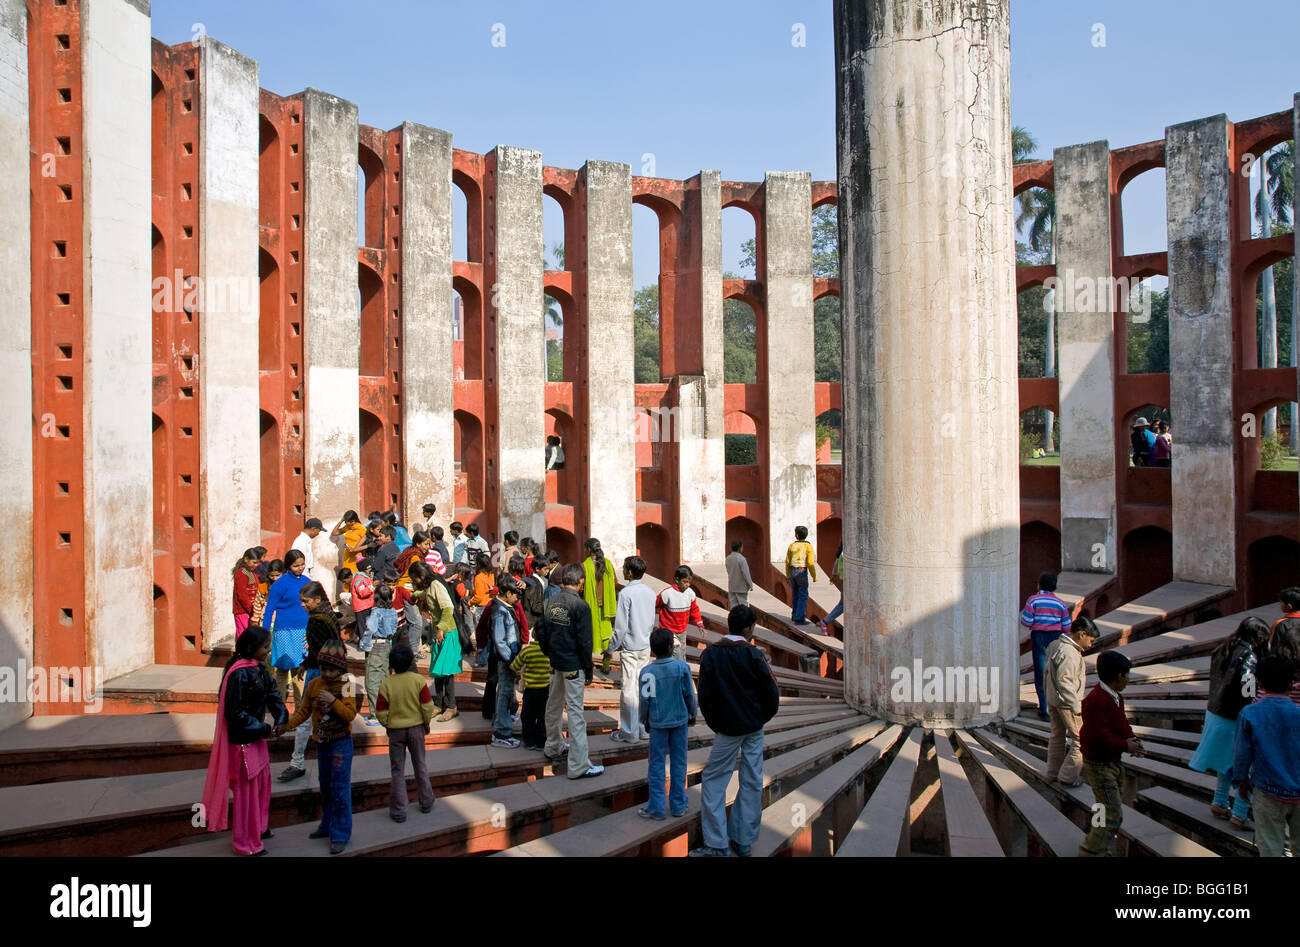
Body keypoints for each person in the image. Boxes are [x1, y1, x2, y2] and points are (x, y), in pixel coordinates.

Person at [690, 605, 780, 857]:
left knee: (714, 781)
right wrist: (760, 718)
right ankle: (743, 840)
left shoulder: (711, 654)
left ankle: (717, 843)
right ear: (748, 629)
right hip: (752, 727)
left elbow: (704, 696)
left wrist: (717, 723)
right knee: (751, 780)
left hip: (727, 729)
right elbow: (772, 693)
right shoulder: (754, 655)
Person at [201, 625, 287, 855]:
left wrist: (281, 716)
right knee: (246, 793)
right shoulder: (239, 673)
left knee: (261, 785)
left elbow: (273, 695)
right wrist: (263, 728)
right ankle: (245, 843)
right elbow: (235, 713)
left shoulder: (258, 668)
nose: (268, 651)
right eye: (265, 647)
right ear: (252, 648)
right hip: (242, 741)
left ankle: (258, 828)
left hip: (255, 737)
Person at [274, 640, 357, 854]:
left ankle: (341, 832)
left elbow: (350, 715)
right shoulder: (314, 684)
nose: (327, 673)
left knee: (340, 788)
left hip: (341, 743)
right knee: (326, 785)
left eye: (332, 669)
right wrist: (287, 726)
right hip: (322, 743)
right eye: (324, 668)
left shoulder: (347, 683)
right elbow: (304, 712)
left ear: (341, 668)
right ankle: (327, 825)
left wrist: (333, 701)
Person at [1191, 616, 1269, 827]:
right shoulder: (1249, 657)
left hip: (1215, 714)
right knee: (1246, 764)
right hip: (1236, 718)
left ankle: (1219, 801)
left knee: (1226, 764)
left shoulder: (1223, 648)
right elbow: (1248, 691)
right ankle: (1240, 813)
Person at [537, 563, 604, 778]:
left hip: (556, 662)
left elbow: (541, 630)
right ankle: (578, 765)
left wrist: (548, 652)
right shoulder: (581, 606)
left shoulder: (550, 601)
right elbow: (585, 642)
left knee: (554, 705)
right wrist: (589, 668)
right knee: (575, 713)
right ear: (581, 582)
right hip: (573, 664)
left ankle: (553, 745)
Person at [1078, 649, 1145, 856]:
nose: (1128, 679)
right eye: (1127, 675)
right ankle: (1091, 851)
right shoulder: (1096, 701)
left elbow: (1121, 725)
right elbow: (1099, 737)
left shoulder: (1116, 697)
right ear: (1119, 677)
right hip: (1099, 764)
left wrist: (1133, 740)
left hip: (1112, 762)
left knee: (1103, 808)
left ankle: (1098, 845)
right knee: (1113, 813)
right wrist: (1126, 746)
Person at [1232, 657, 1300, 857]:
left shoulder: (1250, 713)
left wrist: (1241, 782)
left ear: (1259, 683)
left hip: (1266, 790)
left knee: (1270, 848)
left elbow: (1241, 756)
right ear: (1291, 683)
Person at [638, 627, 697, 821]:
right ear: (672, 647)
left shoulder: (647, 672)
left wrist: (644, 720)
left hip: (657, 722)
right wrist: (692, 713)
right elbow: (689, 694)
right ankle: (678, 805)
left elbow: (644, 700)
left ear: (652, 650)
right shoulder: (681, 668)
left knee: (656, 764)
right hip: (680, 720)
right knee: (679, 763)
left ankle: (656, 807)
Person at [375, 644, 436, 822]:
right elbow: (427, 705)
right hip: (416, 727)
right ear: (410, 661)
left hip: (396, 731)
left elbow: (380, 711)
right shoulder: (418, 680)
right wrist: (426, 722)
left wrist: (388, 724)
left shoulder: (387, 683)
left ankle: (399, 810)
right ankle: (426, 801)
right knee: (420, 765)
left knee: (397, 770)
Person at [1020, 572, 1084, 721]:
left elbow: (1026, 621)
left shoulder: (1033, 601)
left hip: (1039, 637)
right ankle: (1056, 707)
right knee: (1055, 672)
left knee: (1041, 672)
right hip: (1055, 638)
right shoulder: (1060, 604)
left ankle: (1044, 709)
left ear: (1038, 585)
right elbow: (1067, 627)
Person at [1044, 615, 1098, 787]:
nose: (1091, 644)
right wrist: (1076, 706)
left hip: (1053, 699)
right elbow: (1065, 681)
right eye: (1090, 640)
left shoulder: (1055, 645)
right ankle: (1068, 777)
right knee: (1081, 739)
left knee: (1057, 737)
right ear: (1082, 634)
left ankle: (1053, 774)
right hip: (1067, 703)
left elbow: (1048, 674)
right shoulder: (1069, 653)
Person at [610, 555, 656, 743]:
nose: (622, 570)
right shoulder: (650, 592)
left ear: (629, 572)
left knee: (629, 689)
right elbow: (652, 621)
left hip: (630, 646)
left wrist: (610, 648)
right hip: (645, 645)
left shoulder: (626, 594)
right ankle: (644, 730)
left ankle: (629, 732)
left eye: (623, 568)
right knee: (643, 688)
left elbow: (620, 627)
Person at [414, 560, 461, 722]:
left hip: (447, 631)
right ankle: (439, 703)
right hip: (438, 632)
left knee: (446, 672)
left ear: (420, 576)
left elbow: (448, 607)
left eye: (415, 580)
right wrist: (413, 595)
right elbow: (426, 594)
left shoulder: (436, 584)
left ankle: (452, 706)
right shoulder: (430, 585)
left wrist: (441, 628)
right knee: (437, 671)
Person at [265, 549, 311, 714]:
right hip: (284, 631)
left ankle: (299, 711)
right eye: (296, 565)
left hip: (303, 631)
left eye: (302, 564)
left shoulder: (307, 582)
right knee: (283, 672)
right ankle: (280, 711)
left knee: (299, 670)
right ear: (288, 566)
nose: (300, 568)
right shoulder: (279, 585)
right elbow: (269, 610)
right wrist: (265, 634)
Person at [488, 575, 525, 748]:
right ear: (508, 593)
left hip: (509, 656)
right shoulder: (499, 611)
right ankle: (501, 732)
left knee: (506, 690)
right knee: (504, 691)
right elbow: (499, 640)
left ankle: (505, 718)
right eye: (515, 595)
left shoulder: (505, 608)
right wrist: (511, 659)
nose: (517, 598)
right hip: (506, 658)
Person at [361, 581, 399, 728]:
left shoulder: (376, 612)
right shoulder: (393, 611)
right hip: (388, 645)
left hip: (376, 646)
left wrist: (365, 646)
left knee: (372, 681)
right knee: (385, 678)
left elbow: (370, 629)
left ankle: (376, 714)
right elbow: (394, 628)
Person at [510, 631, 552, 750]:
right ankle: (541, 741)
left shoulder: (527, 651)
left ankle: (529, 741)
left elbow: (515, 666)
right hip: (545, 690)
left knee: (528, 716)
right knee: (542, 716)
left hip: (530, 690)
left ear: (533, 635)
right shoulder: (549, 652)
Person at [582, 539, 617, 673]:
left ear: (589, 550)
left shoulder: (585, 565)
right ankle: (606, 665)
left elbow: (580, 586)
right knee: (607, 637)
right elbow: (615, 581)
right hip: (605, 608)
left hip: (591, 607)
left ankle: (588, 666)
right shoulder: (607, 563)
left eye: (586, 549)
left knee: (589, 636)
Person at [655, 565, 705, 660]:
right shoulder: (667, 594)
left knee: (682, 653)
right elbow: (656, 604)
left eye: (689, 582)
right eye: (685, 582)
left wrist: (700, 625)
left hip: (682, 631)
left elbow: (694, 609)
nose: (687, 585)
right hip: (669, 630)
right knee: (676, 654)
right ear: (677, 580)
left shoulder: (690, 593)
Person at [784, 526, 817, 624]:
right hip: (802, 571)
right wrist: (814, 576)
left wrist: (788, 575)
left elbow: (787, 562)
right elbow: (810, 563)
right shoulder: (808, 546)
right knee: (803, 595)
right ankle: (799, 618)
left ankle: (794, 615)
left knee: (795, 594)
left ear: (797, 535)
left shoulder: (792, 546)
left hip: (793, 571)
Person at [232, 548, 261, 639]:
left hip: (252, 609)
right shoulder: (241, 573)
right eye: (254, 562)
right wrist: (251, 610)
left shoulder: (252, 572)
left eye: (257, 563)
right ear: (246, 560)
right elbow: (242, 595)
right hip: (242, 610)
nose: (256, 565)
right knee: (243, 634)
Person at [818, 545, 845, 632]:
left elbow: (836, 565)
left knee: (843, 604)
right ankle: (825, 621)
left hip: (845, 580)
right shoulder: (846, 553)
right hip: (847, 581)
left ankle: (825, 621)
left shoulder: (842, 553)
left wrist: (833, 575)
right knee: (843, 605)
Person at [250, 559, 283, 627]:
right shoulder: (264, 586)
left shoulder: (286, 586)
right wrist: (256, 618)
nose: (274, 578)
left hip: (281, 620)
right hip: (266, 619)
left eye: (277, 575)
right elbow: (257, 603)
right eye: (272, 576)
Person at [725, 540, 753, 609]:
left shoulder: (728, 558)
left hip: (732, 586)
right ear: (740, 548)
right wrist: (750, 584)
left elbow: (728, 570)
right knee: (743, 607)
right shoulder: (742, 559)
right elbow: (746, 574)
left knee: (734, 606)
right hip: (741, 587)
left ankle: (735, 619)